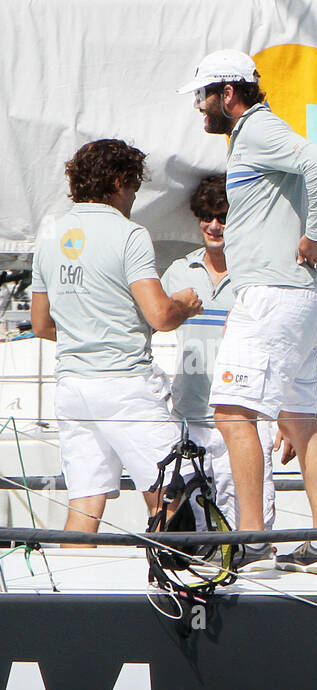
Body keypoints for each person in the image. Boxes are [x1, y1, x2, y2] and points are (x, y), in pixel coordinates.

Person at [178, 49, 317, 573]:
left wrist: (316, 234)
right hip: (297, 298)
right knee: (299, 421)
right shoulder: (251, 134)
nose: (199, 108)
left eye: (203, 97)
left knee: (230, 412)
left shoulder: (255, 128)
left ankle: (251, 538)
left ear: (228, 94)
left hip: (271, 294)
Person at [28, 139, 202, 543]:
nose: (135, 196)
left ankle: (72, 594)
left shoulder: (50, 234)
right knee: (170, 495)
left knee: (85, 502)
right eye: (135, 187)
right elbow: (160, 316)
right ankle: (179, 584)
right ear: (121, 181)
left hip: (73, 386)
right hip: (125, 385)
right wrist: (184, 303)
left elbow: (40, 324)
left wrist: (84, 332)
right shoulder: (129, 234)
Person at [161, 174, 277, 528]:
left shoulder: (257, 276)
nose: (214, 225)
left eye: (223, 217)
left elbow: (281, 347)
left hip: (245, 420)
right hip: (188, 417)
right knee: (188, 523)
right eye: (206, 216)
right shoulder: (178, 271)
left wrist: (286, 417)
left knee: (250, 522)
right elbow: (146, 327)